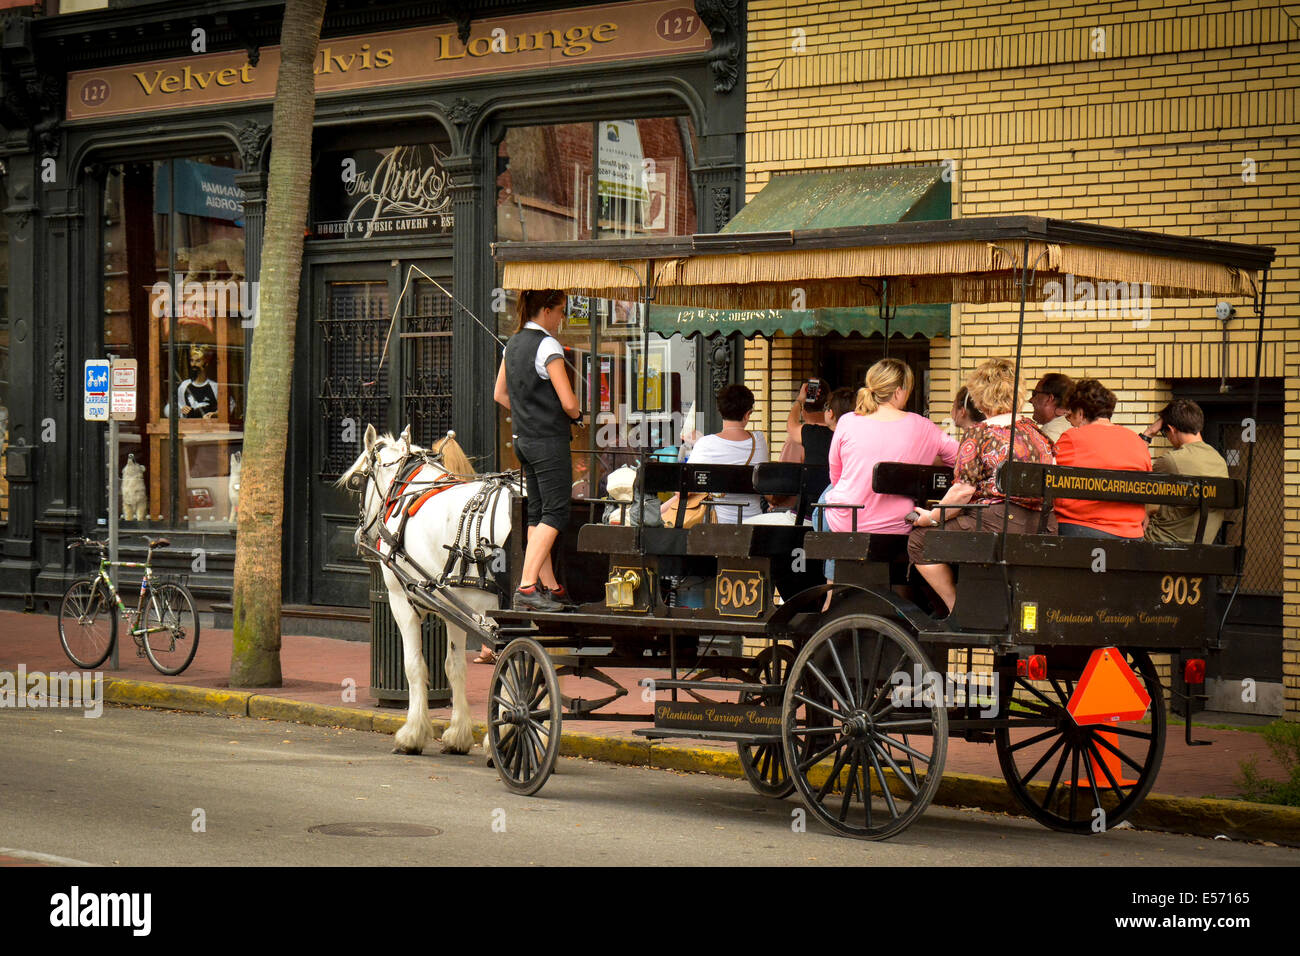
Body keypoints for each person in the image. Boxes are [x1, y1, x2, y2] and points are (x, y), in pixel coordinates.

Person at [908, 358, 1056, 616]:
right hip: (1041, 526)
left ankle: (958, 608)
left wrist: (931, 518)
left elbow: (963, 491)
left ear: (979, 397)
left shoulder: (980, 434)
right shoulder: (1039, 434)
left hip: (995, 525)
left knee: (919, 541)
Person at [493, 288, 582, 618]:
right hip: (548, 441)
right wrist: (576, 416)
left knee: (538, 513)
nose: (562, 319)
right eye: (561, 311)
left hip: (523, 440)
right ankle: (528, 586)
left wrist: (526, 414)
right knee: (557, 513)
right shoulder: (548, 345)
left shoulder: (512, 344)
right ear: (546, 310)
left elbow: (499, 393)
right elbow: (569, 401)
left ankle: (551, 586)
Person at [824, 358, 958, 535]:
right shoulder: (923, 427)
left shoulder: (847, 421)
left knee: (825, 509)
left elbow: (836, 477)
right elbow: (963, 458)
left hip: (845, 519)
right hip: (896, 524)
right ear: (898, 392)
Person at [1051, 378, 1151, 539]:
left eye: (1071, 417)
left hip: (1082, 531)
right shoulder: (1136, 441)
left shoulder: (1073, 437)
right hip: (1132, 535)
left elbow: (1048, 478)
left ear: (1081, 413)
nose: (1071, 424)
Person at [662, 384, 769, 524]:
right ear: (748, 414)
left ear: (720, 411)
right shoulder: (759, 440)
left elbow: (681, 491)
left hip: (716, 526)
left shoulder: (706, 444)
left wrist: (699, 443)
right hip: (754, 523)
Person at [1140, 399, 1230, 544]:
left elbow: (1132, 472)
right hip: (1201, 547)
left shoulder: (1171, 461)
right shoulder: (1219, 460)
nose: (1167, 438)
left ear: (1172, 429)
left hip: (1159, 543)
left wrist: (1149, 433)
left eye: (1165, 432)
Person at [1029, 372, 1073, 444]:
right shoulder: (1072, 424)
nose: (1031, 400)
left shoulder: (1049, 433)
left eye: (1035, 394)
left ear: (1049, 399)